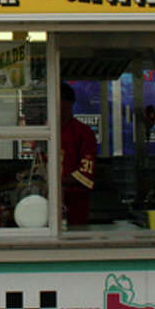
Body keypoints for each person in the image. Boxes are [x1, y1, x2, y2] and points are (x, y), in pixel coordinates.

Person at [60, 82, 98, 226]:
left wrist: (57, 183)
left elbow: (85, 173)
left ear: (68, 104)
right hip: (47, 203)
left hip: (75, 206)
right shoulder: (48, 132)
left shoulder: (83, 133)